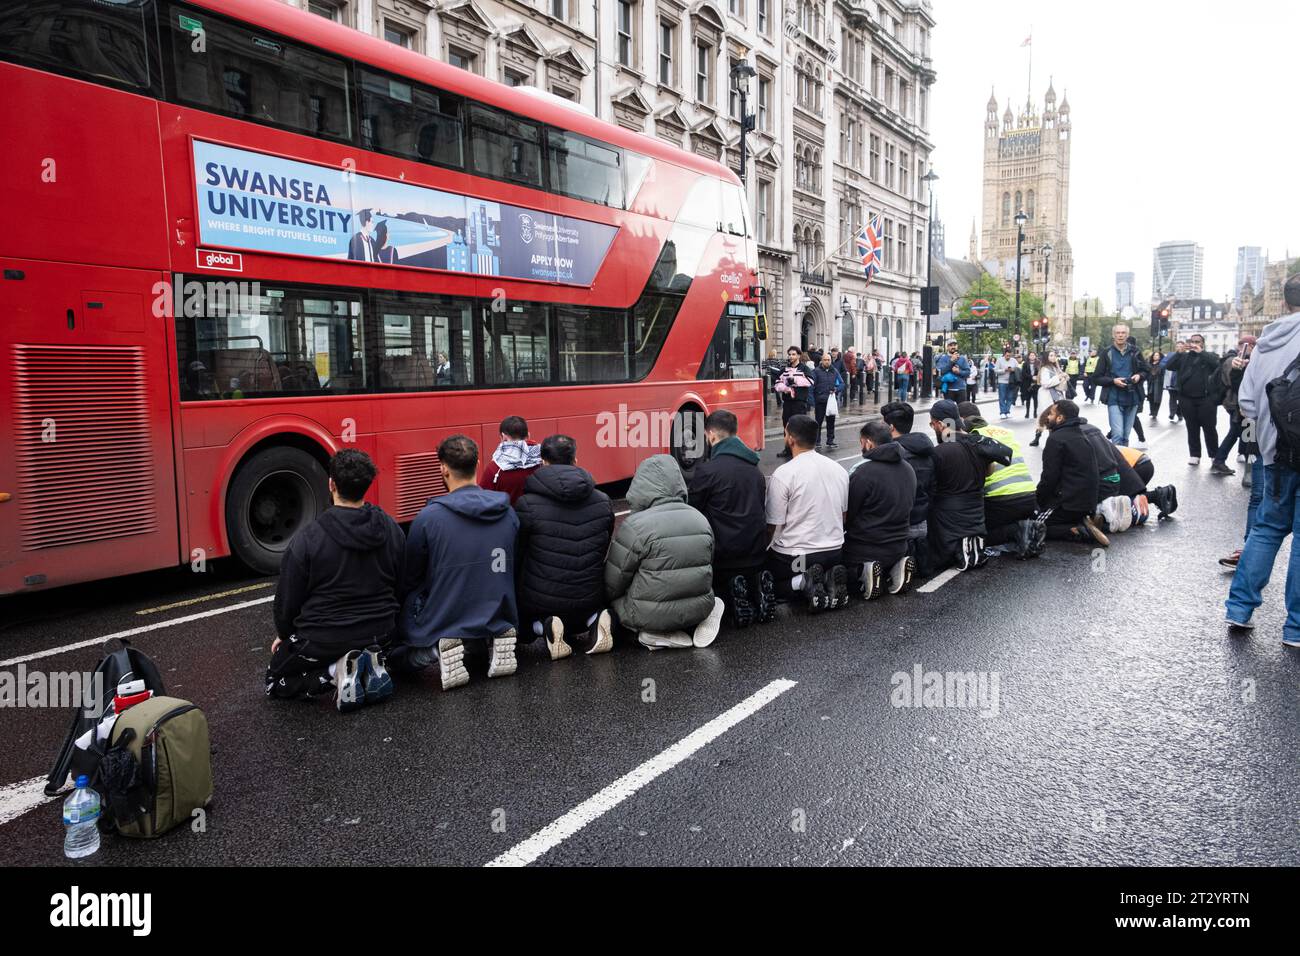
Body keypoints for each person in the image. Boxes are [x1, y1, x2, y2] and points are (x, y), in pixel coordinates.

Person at [268, 449, 404, 712]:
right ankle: (371, 664)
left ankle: (335, 672)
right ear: (368, 485)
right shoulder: (391, 528)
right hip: (382, 632)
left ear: (331, 484)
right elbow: (402, 584)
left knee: (274, 681)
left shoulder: (307, 538)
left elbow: (287, 601)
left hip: (324, 639)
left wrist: (285, 636)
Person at [396, 435, 520, 690]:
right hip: (498, 607)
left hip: (446, 613)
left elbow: (411, 577)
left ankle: (435, 650)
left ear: (443, 468)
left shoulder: (428, 518)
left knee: (398, 658)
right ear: (477, 464)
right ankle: (492, 635)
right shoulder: (508, 513)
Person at [1224, 273, 1300, 647]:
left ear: (1284, 302)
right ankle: (1296, 628)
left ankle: (1239, 608)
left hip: (1276, 452)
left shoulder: (1266, 343)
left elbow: (1248, 403)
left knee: (1268, 528)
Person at [513, 434, 615, 661]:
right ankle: (595, 619)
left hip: (541, 599)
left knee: (525, 616)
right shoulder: (603, 500)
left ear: (543, 462)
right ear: (575, 460)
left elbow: (518, 554)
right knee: (583, 605)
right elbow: (603, 546)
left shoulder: (526, 505)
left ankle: (544, 626)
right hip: (590, 593)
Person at [605, 454, 724, 650]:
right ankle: (699, 617)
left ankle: (653, 633)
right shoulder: (700, 519)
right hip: (699, 607)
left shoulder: (635, 526)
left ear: (640, 486)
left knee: (617, 598)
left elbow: (613, 582)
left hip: (647, 615)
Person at [688, 410, 774, 627]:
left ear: (711, 436)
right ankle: (755, 590)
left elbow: (693, 513)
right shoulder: (755, 470)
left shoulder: (707, 471)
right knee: (745, 575)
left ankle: (731, 596)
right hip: (756, 552)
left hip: (723, 556)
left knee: (716, 588)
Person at [766, 414, 851, 611]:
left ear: (790, 438)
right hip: (834, 552)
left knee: (770, 582)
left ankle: (803, 581)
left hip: (798, 558)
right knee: (820, 564)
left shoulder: (784, 473)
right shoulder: (839, 470)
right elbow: (844, 516)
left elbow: (773, 525)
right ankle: (829, 578)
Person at [960, 402, 1045, 559]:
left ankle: (1017, 530)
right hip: (1028, 497)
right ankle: (1024, 529)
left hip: (1002, 501)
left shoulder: (974, 438)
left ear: (962, 419)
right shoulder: (1004, 431)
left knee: (973, 538)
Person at [845, 421, 917, 598]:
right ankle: (894, 568)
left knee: (837, 570)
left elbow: (850, 512)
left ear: (868, 443)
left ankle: (863, 571)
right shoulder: (908, 468)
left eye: (862, 442)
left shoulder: (863, 473)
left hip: (864, 547)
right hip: (900, 544)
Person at [926, 400, 990, 571]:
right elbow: (989, 471)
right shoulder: (980, 444)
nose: (933, 428)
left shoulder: (939, 452)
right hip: (977, 515)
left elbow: (929, 488)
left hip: (948, 522)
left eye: (932, 424)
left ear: (940, 424)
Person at [1035, 400, 1109, 546]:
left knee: (1032, 526)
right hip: (1087, 503)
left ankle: (1076, 530)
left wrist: (1038, 501)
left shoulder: (1056, 439)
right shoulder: (1080, 435)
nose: (1048, 417)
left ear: (1060, 418)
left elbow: (1049, 478)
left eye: (1050, 414)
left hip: (1068, 504)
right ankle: (1082, 520)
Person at [881, 401, 936, 578]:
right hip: (922, 521)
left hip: (897, 525)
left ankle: (899, 563)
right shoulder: (926, 449)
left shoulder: (891, 454)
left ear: (890, 427)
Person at [1164, 334, 1222, 465]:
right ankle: (1195, 454)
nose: (1195, 344)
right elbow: (1169, 366)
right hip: (1186, 398)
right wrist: (1178, 353)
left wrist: (1201, 353)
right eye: (1192, 341)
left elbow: (1217, 364)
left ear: (1203, 344)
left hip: (1206, 398)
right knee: (1192, 427)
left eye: (1198, 342)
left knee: (1210, 429)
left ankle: (1214, 455)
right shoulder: (1184, 357)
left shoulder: (1209, 356)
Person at [1092, 324, 1150, 447]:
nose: (1120, 335)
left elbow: (1146, 370)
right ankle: (1117, 464)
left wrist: (1139, 376)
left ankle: (1122, 463)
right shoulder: (1106, 353)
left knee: (1125, 435)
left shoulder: (1135, 351)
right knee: (1117, 434)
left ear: (1127, 335)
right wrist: (1113, 381)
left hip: (1132, 396)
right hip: (1114, 397)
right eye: (1118, 333)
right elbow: (1096, 377)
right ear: (1113, 335)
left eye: (1123, 333)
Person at [1209, 336, 1256, 476]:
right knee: (1240, 433)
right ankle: (1221, 461)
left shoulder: (1232, 358)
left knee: (1239, 432)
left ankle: (1221, 460)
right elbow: (1236, 383)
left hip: (1234, 402)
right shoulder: (1234, 360)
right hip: (1236, 402)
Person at [479, 415, 542, 504]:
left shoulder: (494, 468)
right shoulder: (543, 460)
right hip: (538, 515)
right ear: (528, 435)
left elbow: (483, 499)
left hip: (508, 517)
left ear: (503, 437)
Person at [774, 346, 813, 458]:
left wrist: (795, 380)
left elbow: (810, 381)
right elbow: (777, 384)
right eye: (790, 354)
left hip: (799, 402)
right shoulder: (784, 370)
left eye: (793, 354)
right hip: (787, 402)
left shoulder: (804, 369)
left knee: (799, 427)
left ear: (799, 356)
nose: (791, 356)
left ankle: (800, 449)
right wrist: (785, 388)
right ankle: (787, 449)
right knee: (787, 426)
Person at [812, 352, 843, 450]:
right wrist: (813, 401)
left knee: (831, 422)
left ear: (831, 361)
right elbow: (811, 386)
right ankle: (817, 442)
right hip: (820, 401)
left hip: (831, 401)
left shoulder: (835, 371)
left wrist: (836, 389)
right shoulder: (816, 371)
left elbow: (842, 384)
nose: (827, 361)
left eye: (828, 360)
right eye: (825, 360)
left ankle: (830, 441)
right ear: (822, 361)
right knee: (818, 422)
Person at [994, 348, 1020, 420]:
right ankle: (1002, 412)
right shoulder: (999, 360)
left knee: (1010, 397)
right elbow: (995, 370)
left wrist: (1013, 370)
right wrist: (1004, 370)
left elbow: (1018, 369)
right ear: (1004, 354)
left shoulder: (1014, 361)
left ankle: (1007, 411)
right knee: (1002, 397)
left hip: (1011, 382)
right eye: (1007, 355)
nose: (1008, 357)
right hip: (1002, 381)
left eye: (1009, 356)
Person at [1019, 351, 1040, 419]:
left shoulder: (1038, 363)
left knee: (1035, 399)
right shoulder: (1025, 364)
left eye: (1033, 355)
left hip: (1036, 384)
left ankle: (1035, 412)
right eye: (1031, 355)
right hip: (1027, 384)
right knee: (1028, 399)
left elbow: (1040, 372)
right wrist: (1031, 377)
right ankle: (1027, 412)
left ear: (1035, 356)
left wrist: (1036, 377)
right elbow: (1023, 373)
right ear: (1028, 356)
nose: (1032, 356)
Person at [1146, 350, 1166, 420]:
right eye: (1154, 355)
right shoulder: (1149, 364)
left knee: (1157, 398)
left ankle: (1155, 412)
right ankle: (1151, 411)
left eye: (1157, 355)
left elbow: (1164, 374)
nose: (1155, 356)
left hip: (1159, 383)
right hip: (1150, 382)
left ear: (1160, 356)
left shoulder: (1162, 365)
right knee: (1150, 396)